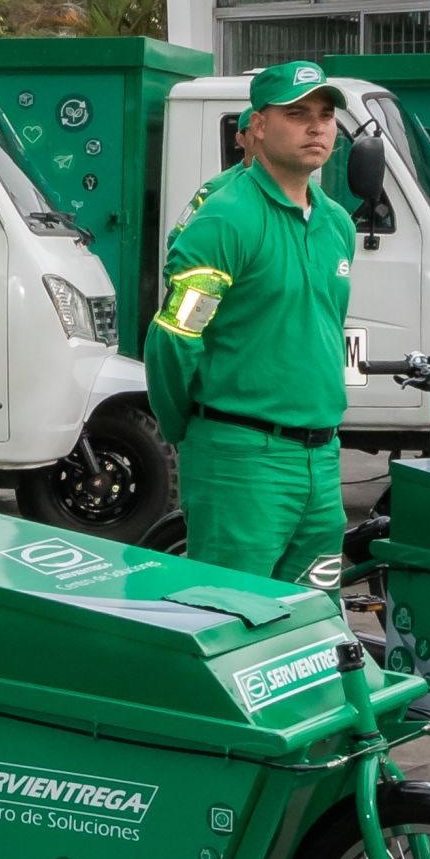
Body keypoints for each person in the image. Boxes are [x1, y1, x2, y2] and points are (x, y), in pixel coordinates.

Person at [146, 59, 359, 588]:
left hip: (323, 460)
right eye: (297, 113)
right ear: (258, 126)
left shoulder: (336, 223)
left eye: (327, 114)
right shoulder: (225, 219)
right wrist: (191, 433)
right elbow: (175, 338)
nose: (317, 126)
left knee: (315, 626)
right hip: (241, 462)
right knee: (230, 621)